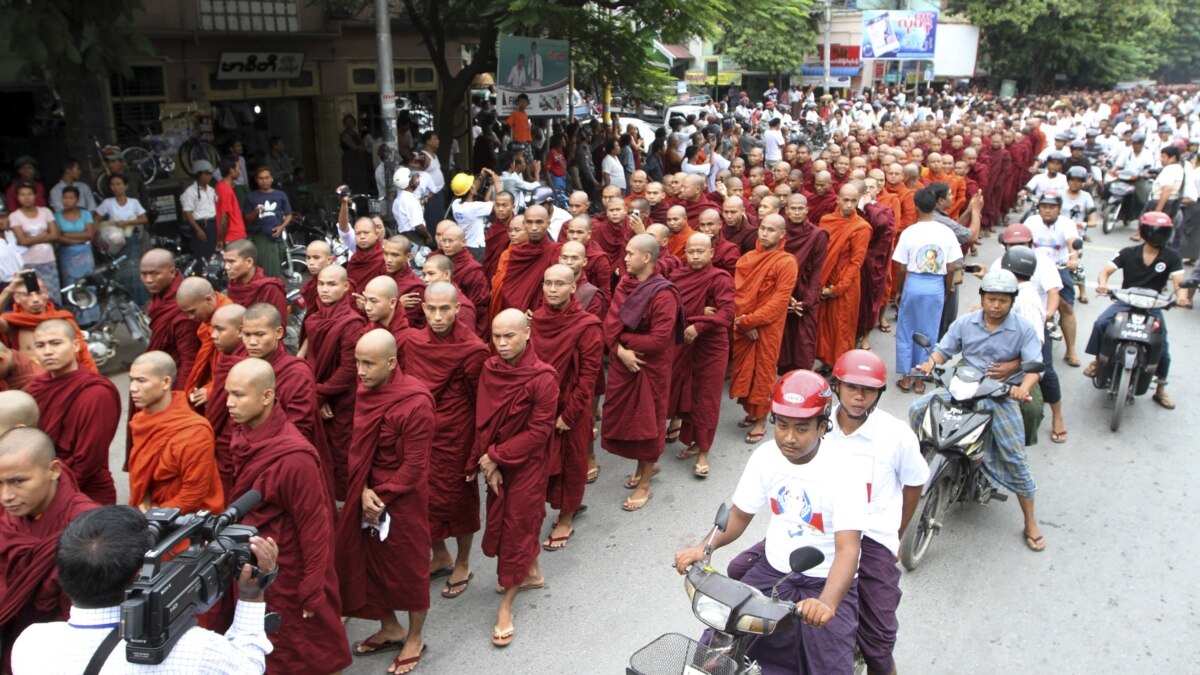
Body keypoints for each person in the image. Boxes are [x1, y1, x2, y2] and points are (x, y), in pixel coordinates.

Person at [673, 370, 867, 674]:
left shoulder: (845, 472)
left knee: (830, 667)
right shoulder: (765, 457)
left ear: (822, 427)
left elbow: (847, 550)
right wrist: (705, 547)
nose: (789, 438)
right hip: (774, 572)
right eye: (783, 425)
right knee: (716, 648)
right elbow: (739, 513)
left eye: (802, 428)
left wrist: (827, 603)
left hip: (825, 580)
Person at [10, 504, 278, 674]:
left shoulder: (30, 643)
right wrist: (251, 596)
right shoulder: (197, 650)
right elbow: (250, 667)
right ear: (142, 574)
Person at [225, 358, 352, 673]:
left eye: (239, 395)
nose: (229, 403)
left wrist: (312, 585)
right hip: (256, 558)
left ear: (267, 396)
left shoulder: (293, 456)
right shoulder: (243, 434)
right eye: (228, 394)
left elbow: (315, 524)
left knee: (312, 650)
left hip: (288, 566)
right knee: (270, 649)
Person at [912, 269, 1047, 552]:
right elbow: (943, 351)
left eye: (1002, 300)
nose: (996, 305)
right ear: (982, 298)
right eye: (991, 299)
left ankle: (1030, 521)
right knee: (917, 410)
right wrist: (930, 364)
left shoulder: (1023, 328)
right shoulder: (965, 323)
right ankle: (915, 462)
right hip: (963, 384)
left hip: (999, 393)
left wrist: (1023, 386)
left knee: (1014, 455)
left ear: (1012, 301)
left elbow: (1035, 366)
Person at [334, 330, 434, 673]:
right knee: (371, 565)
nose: (360, 371)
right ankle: (390, 626)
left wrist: (379, 496)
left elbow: (414, 467)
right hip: (368, 494)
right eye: (357, 362)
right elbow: (359, 446)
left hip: (402, 500)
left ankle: (415, 636)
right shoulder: (368, 390)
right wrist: (361, 491)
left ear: (391, 363)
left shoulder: (414, 401)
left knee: (409, 569)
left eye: (368, 363)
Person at [827, 350, 928, 675]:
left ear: (879, 393)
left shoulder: (896, 435)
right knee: (747, 578)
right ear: (836, 386)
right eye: (852, 387)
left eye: (868, 390)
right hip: (820, 531)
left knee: (879, 641)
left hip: (870, 538)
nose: (859, 397)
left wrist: (894, 535)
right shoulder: (816, 424)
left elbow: (914, 484)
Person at [469, 309, 558, 647]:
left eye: (510, 336)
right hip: (497, 460)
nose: (502, 344)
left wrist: (496, 456)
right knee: (510, 521)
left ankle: (506, 604)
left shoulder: (543, 377)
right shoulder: (490, 369)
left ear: (526, 335)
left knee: (517, 526)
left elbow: (538, 432)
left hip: (527, 465)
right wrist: (487, 459)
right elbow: (483, 416)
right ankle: (531, 572)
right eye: (496, 337)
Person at [399, 280, 488, 600]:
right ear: (422, 309)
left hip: (456, 435)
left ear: (457, 309)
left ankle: (463, 561)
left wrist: (477, 449)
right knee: (422, 499)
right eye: (431, 309)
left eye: (444, 309)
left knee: (459, 500)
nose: (437, 316)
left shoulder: (473, 348)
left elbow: (481, 400)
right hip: (420, 435)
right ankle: (441, 554)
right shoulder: (412, 342)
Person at [0, 425, 98, 674]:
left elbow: (84, 613)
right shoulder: (8, 512)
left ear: (53, 470)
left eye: (18, 482)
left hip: (54, 650)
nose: (6, 495)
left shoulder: (88, 526)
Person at [601, 234, 682, 511]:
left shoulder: (663, 293)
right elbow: (610, 324)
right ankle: (642, 468)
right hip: (627, 364)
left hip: (650, 368)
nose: (624, 258)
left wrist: (623, 341)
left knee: (649, 424)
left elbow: (659, 340)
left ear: (646, 258)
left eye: (630, 253)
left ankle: (645, 484)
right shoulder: (626, 283)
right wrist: (620, 350)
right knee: (631, 421)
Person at [1084, 212, 1189, 409]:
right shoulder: (1127, 252)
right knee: (1101, 324)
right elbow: (1105, 271)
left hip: (1153, 305)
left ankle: (1160, 389)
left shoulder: (1172, 257)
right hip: (1127, 300)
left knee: (1162, 347)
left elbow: (1179, 282)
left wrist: (1182, 297)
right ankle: (1098, 361)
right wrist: (1103, 285)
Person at [532, 264, 603, 549]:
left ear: (573, 287)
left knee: (572, 462)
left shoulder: (586, 325)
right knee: (543, 463)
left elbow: (589, 375)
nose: (552, 289)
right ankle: (564, 504)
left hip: (571, 407)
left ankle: (566, 516)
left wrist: (570, 414)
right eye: (547, 283)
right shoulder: (537, 318)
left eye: (559, 284)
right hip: (541, 406)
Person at [667, 233, 734, 477]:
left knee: (707, 399)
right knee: (687, 392)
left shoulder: (720, 278)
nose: (695, 256)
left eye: (700, 251)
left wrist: (699, 324)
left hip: (711, 347)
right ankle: (694, 442)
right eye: (691, 251)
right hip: (684, 343)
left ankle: (704, 451)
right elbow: (669, 308)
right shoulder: (676, 276)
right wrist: (699, 312)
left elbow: (726, 314)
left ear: (711, 253)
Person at [127, 350, 224, 514]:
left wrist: (152, 516)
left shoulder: (194, 431)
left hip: (186, 524)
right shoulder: (142, 421)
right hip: (147, 512)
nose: (133, 388)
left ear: (165, 382)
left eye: (141, 381)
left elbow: (192, 496)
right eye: (131, 380)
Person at [731, 214, 799, 444]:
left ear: (782, 234)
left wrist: (750, 321)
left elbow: (779, 302)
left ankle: (761, 419)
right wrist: (742, 319)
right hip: (745, 324)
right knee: (746, 370)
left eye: (771, 230)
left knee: (763, 371)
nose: (764, 233)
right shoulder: (747, 259)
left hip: (767, 327)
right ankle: (752, 411)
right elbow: (738, 293)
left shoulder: (787, 262)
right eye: (762, 228)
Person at [301, 265, 367, 500]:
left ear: (345, 287)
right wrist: (315, 396)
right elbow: (306, 359)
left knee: (340, 456)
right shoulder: (314, 317)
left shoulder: (352, 323)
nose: (325, 290)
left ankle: (344, 507)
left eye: (332, 284)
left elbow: (349, 370)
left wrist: (318, 394)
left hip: (341, 403)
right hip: (318, 397)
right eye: (321, 284)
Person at [893, 187, 962, 393]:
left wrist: (898, 291)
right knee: (929, 331)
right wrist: (947, 286)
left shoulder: (909, 232)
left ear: (915, 207)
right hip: (935, 285)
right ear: (936, 205)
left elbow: (901, 267)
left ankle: (906, 377)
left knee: (906, 329)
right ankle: (920, 379)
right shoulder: (946, 232)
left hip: (913, 283)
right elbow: (951, 266)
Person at [815, 184, 871, 370]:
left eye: (853, 201)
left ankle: (841, 366)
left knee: (842, 326)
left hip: (846, 285)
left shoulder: (861, 227)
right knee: (824, 325)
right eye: (845, 200)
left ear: (858, 201)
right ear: (838, 199)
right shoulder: (826, 220)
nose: (848, 205)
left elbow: (856, 262)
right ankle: (827, 361)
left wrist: (838, 288)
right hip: (825, 280)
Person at [1023, 192, 1082, 367]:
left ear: (1059, 209)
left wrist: (1073, 259)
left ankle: (1071, 350)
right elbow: (1020, 240)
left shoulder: (1067, 224)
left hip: (1058, 267)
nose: (1047, 210)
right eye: (1044, 207)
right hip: (1031, 266)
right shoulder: (1031, 221)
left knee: (1066, 306)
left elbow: (1073, 243)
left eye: (1052, 207)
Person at [0, 271, 97, 373]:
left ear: (46, 294)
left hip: (65, 376)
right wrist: (9, 290)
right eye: (27, 295)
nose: (35, 299)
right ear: (17, 298)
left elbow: (83, 354)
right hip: (30, 383)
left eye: (39, 293)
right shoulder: (12, 323)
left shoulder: (63, 318)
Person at [197, 303, 246, 497]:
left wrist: (208, 434)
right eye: (212, 328)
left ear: (240, 331)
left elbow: (218, 410)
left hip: (235, 437)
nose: (213, 335)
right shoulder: (228, 356)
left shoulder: (242, 363)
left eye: (220, 329)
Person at [140, 249, 200, 399]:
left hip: (174, 381)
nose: (148, 280)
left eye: (154, 274)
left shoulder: (183, 306)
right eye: (144, 274)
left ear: (172, 272)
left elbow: (189, 359)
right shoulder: (160, 294)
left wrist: (178, 396)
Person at [779, 194, 829, 374]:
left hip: (806, 293)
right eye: (793, 208)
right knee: (781, 344)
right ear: (786, 210)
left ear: (807, 210)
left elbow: (817, 270)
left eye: (801, 208)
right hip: (783, 292)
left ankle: (801, 381)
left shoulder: (817, 235)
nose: (797, 212)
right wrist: (785, 298)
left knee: (804, 342)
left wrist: (807, 301)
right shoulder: (779, 232)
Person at [491, 204, 560, 317]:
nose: (534, 228)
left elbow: (557, 288)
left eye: (539, 222)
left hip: (541, 314)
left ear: (548, 223)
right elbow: (509, 290)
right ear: (524, 224)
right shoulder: (515, 253)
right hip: (514, 316)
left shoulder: (556, 251)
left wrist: (539, 313)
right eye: (529, 222)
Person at [175, 276, 232, 406]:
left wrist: (214, 389)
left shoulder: (229, 320)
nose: (190, 317)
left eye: (192, 311)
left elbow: (238, 364)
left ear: (208, 300)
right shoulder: (207, 322)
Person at [8, 186, 61, 304]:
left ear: (35, 195)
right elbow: (22, 241)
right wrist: (44, 235)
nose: (26, 197)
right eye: (22, 195)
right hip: (29, 263)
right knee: (33, 296)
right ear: (17, 197)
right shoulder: (14, 216)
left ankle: (56, 320)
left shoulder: (45, 211)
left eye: (29, 194)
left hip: (48, 260)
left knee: (52, 294)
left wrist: (32, 239)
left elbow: (55, 235)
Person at [52, 187, 98, 325]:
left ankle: (93, 318)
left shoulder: (85, 214)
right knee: (71, 285)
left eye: (71, 198)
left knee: (88, 282)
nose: (67, 201)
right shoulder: (57, 216)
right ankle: (77, 319)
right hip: (67, 254)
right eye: (64, 198)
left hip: (85, 255)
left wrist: (67, 236)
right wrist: (79, 240)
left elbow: (89, 234)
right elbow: (58, 237)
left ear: (77, 200)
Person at [242, 166, 291, 281]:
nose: (264, 181)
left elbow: (289, 215)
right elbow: (246, 219)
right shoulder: (251, 197)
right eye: (261, 178)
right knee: (265, 270)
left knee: (276, 267)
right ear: (256, 180)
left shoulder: (280, 195)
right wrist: (255, 212)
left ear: (272, 179)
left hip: (277, 235)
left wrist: (281, 227)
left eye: (266, 177)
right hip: (261, 237)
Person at [431, 222, 491, 314]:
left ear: (463, 242)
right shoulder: (435, 258)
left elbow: (479, 303)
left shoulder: (472, 270)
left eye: (450, 241)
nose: (446, 245)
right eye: (444, 240)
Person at [223, 238, 288, 322]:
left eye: (231, 262)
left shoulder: (269, 289)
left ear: (249, 262)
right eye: (225, 261)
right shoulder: (233, 286)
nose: (226, 267)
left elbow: (277, 326)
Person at [382, 235, 426, 328]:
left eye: (395, 255)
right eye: (386, 254)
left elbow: (402, 325)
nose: (388, 260)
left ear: (409, 257)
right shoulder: (383, 273)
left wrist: (396, 306)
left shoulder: (416, 288)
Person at [181, 159, 220, 261]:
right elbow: (187, 213)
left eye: (210, 174)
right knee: (203, 255)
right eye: (207, 173)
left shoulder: (212, 190)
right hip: (202, 225)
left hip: (213, 223)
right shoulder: (189, 192)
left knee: (216, 254)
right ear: (199, 174)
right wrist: (198, 230)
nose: (209, 176)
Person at [346, 216, 387, 294]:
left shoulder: (385, 259)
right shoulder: (353, 261)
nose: (362, 237)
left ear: (376, 235)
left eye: (366, 233)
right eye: (358, 233)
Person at [695, 207, 740, 276]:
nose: (706, 229)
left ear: (720, 225)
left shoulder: (729, 250)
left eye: (710, 224)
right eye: (702, 225)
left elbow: (730, 278)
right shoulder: (694, 245)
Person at [215, 154, 248, 245]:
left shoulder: (219, 186)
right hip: (233, 237)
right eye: (238, 168)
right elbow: (224, 218)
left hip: (232, 237)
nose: (240, 171)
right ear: (231, 170)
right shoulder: (226, 190)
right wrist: (221, 240)